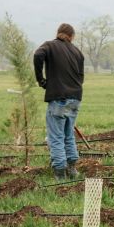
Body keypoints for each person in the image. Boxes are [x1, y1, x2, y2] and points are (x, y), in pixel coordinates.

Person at [33, 23, 85, 180]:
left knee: (55, 136)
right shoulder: (77, 52)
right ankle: (72, 169)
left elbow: (37, 55)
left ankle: (60, 173)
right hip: (75, 98)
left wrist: (41, 80)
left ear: (58, 33)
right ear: (72, 36)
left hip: (58, 99)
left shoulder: (50, 45)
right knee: (68, 135)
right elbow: (81, 77)